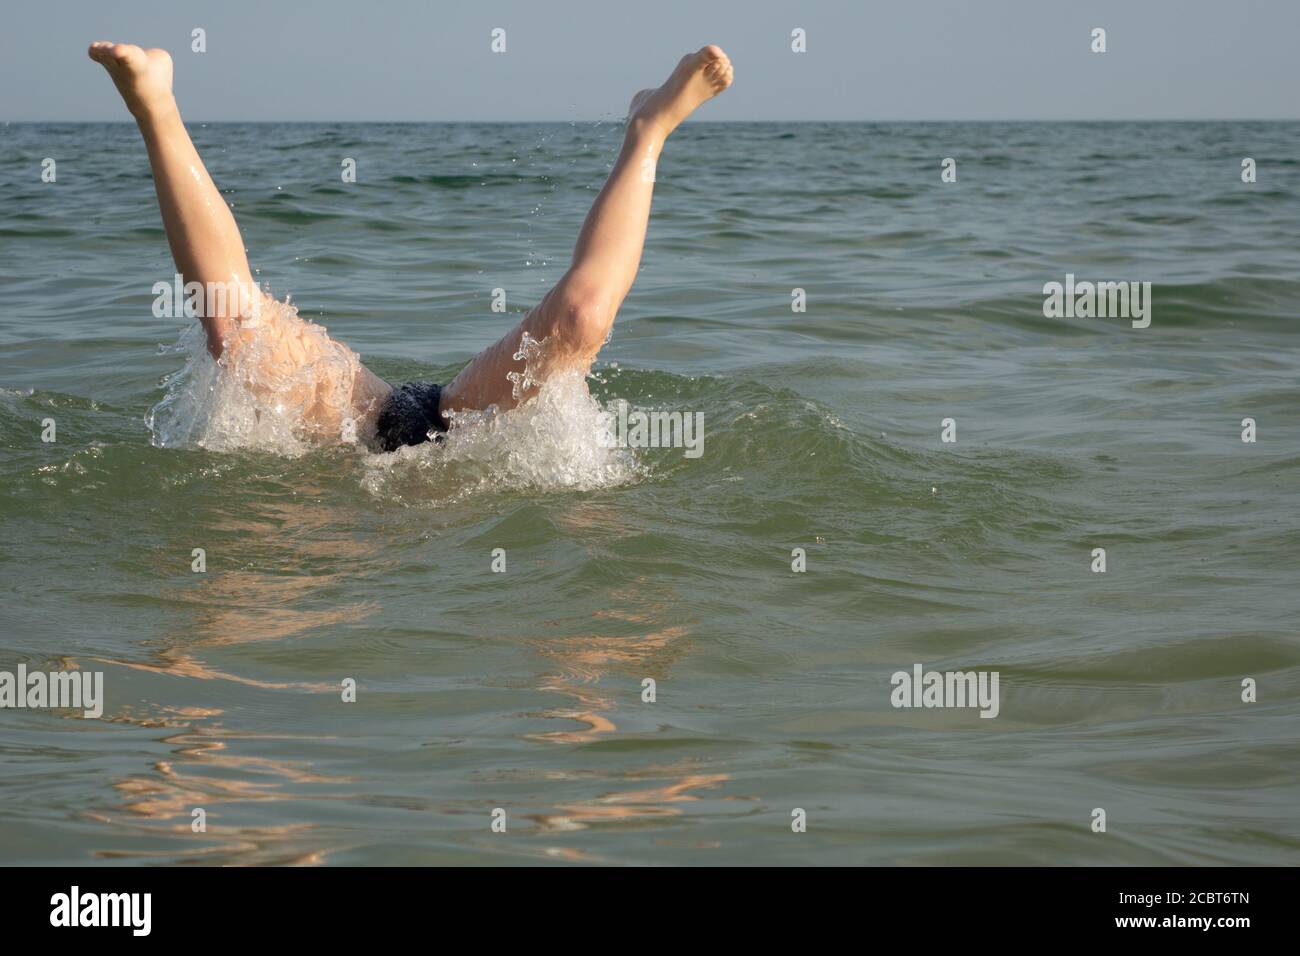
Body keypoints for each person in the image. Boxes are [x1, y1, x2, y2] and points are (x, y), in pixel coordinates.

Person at [88, 39, 734, 451]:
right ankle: (156, 108)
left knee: (580, 319)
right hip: (363, 429)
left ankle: (648, 128)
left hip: (460, 428)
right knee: (230, 329)